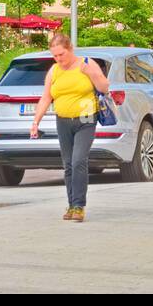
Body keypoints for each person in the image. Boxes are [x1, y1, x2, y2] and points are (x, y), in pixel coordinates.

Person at [29, 33, 111, 222]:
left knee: (78, 161)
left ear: (70, 49)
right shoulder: (54, 71)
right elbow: (46, 97)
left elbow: (105, 87)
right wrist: (35, 122)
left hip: (85, 120)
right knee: (68, 165)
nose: (59, 59)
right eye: (55, 56)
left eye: (61, 55)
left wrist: (91, 74)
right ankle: (71, 204)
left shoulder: (86, 64)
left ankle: (79, 206)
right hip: (63, 120)